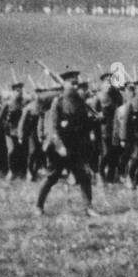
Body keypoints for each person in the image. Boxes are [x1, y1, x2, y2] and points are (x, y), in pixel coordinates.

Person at [35, 71, 101, 217]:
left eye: (76, 82)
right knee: (52, 177)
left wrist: (95, 121)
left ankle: (88, 207)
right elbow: (53, 128)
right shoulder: (57, 102)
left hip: (75, 146)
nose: (75, 85)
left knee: (84, 176)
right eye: (72, 83)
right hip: (59, 147)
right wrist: (60, 146)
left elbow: (84, 125)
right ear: (64, 84)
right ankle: (39, 206)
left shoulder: (80, 102)